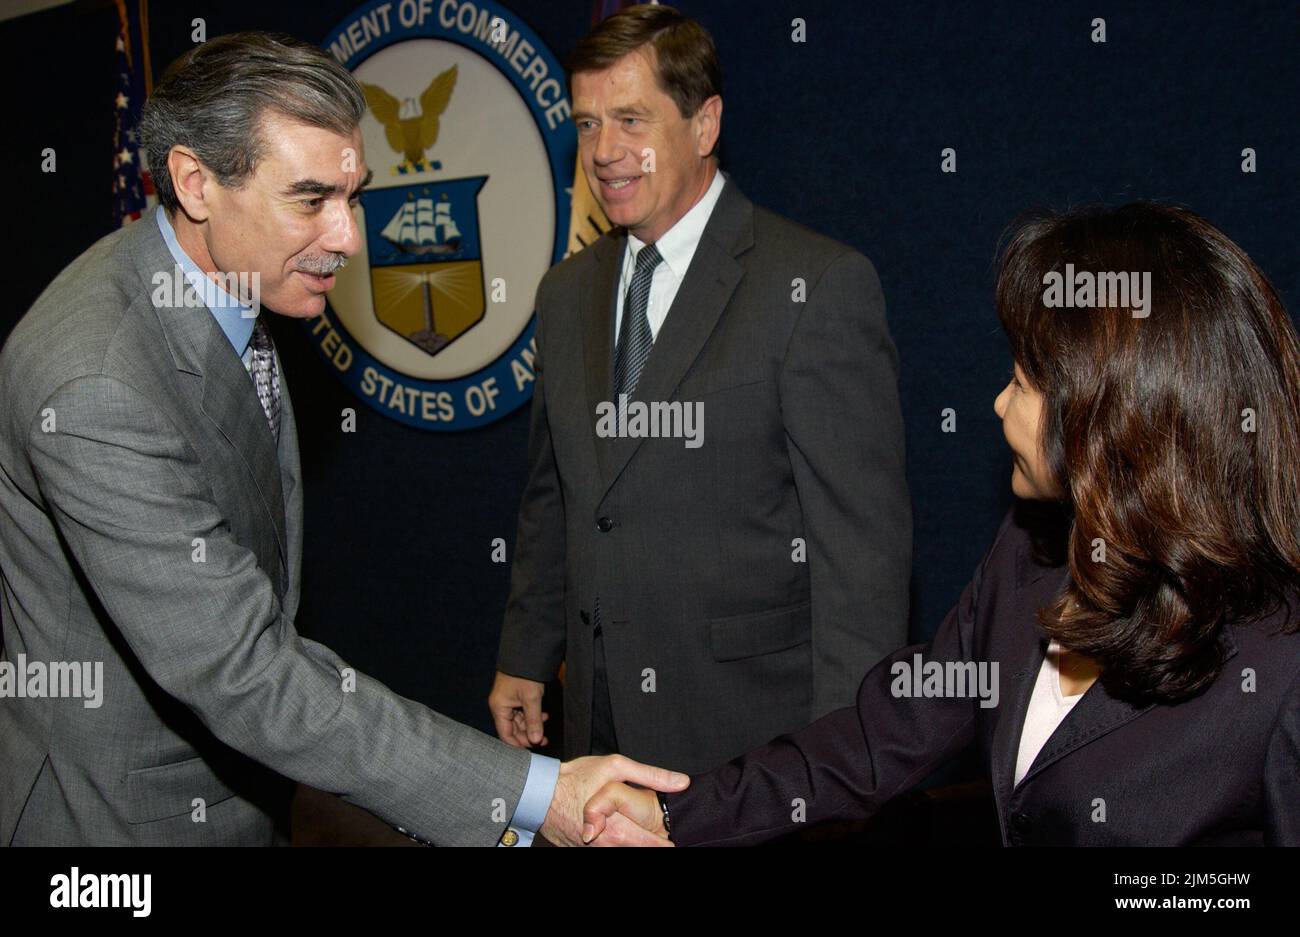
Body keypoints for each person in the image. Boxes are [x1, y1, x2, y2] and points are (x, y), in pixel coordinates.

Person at [0, 31, 685, 848]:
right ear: (195, 182)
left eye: (353, 196)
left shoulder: (229, 282)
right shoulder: (95, 383)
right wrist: (537, 793)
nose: (350, 237)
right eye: (311, 198)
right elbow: (246, 669)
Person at [583, 201, 1300, 846]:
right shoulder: (1033, 550)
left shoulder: (1280, 670)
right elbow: (879, 739)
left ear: (1111, 420)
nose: (996, 404)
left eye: (1021, 382)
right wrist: (679, 812)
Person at [491, 5, 911, 775]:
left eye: (630, 120)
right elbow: (556, 498)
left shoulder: (814, 286)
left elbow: (863, 562)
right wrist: (527, 651)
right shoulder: (564, 294)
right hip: (596, 721)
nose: (604, 152)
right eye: (586, 125)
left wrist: (845, 756)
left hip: (753, 737)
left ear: (706, 122)